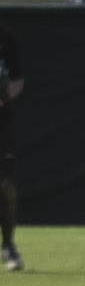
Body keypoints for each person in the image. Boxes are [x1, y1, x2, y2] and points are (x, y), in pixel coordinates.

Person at [0, 24, 24, 272]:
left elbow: (18, 82)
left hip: (2, 122)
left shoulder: (5, 38)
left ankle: (8, 246)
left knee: (5, 186)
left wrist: (4, 97)